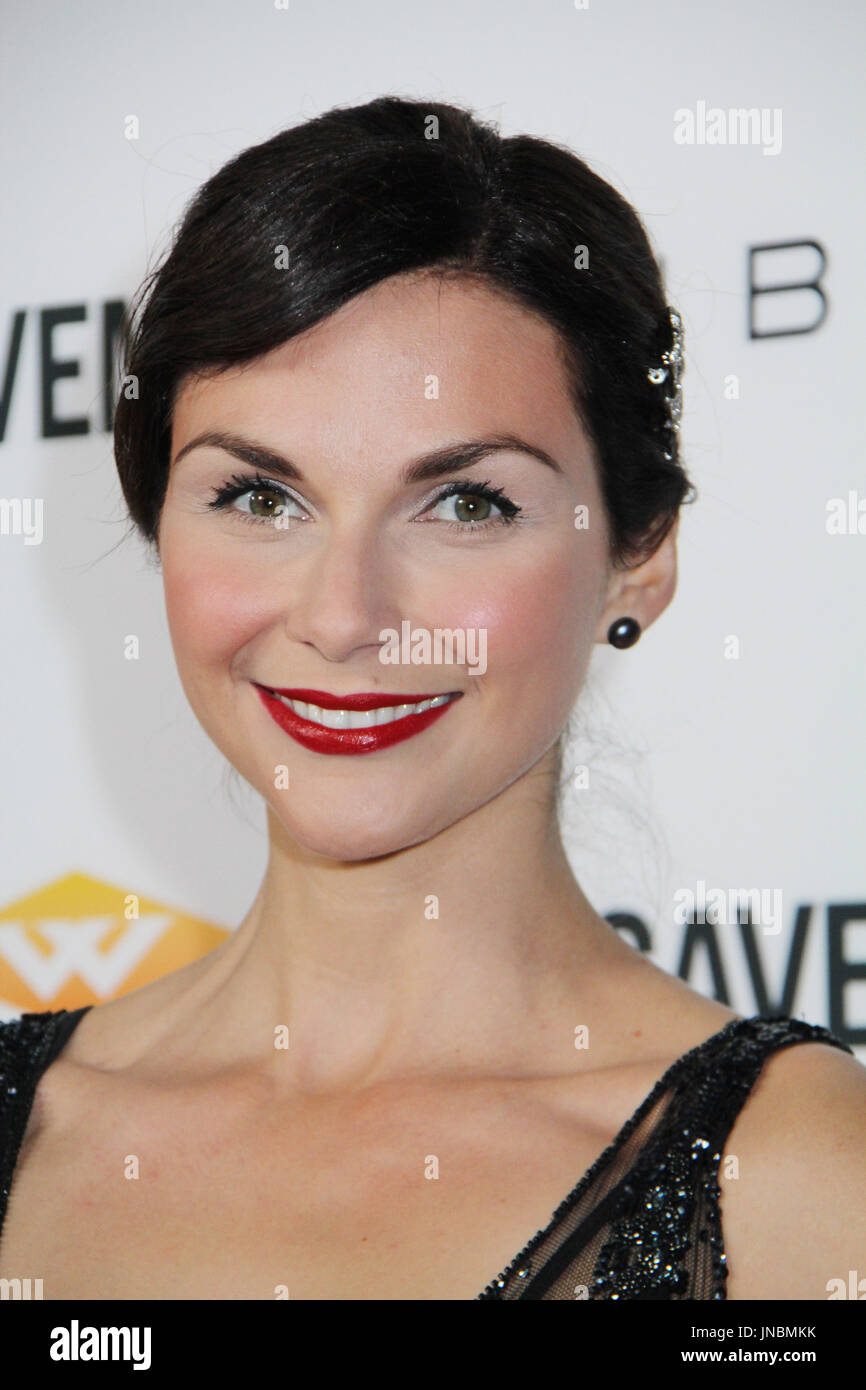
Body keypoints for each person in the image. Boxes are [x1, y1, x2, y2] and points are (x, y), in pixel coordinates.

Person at [1, 95, 863, 1301]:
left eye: (465, 504)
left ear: (639, 552)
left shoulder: (799, 1184)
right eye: (259, 496)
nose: (345, 614)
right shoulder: (24, 1120)